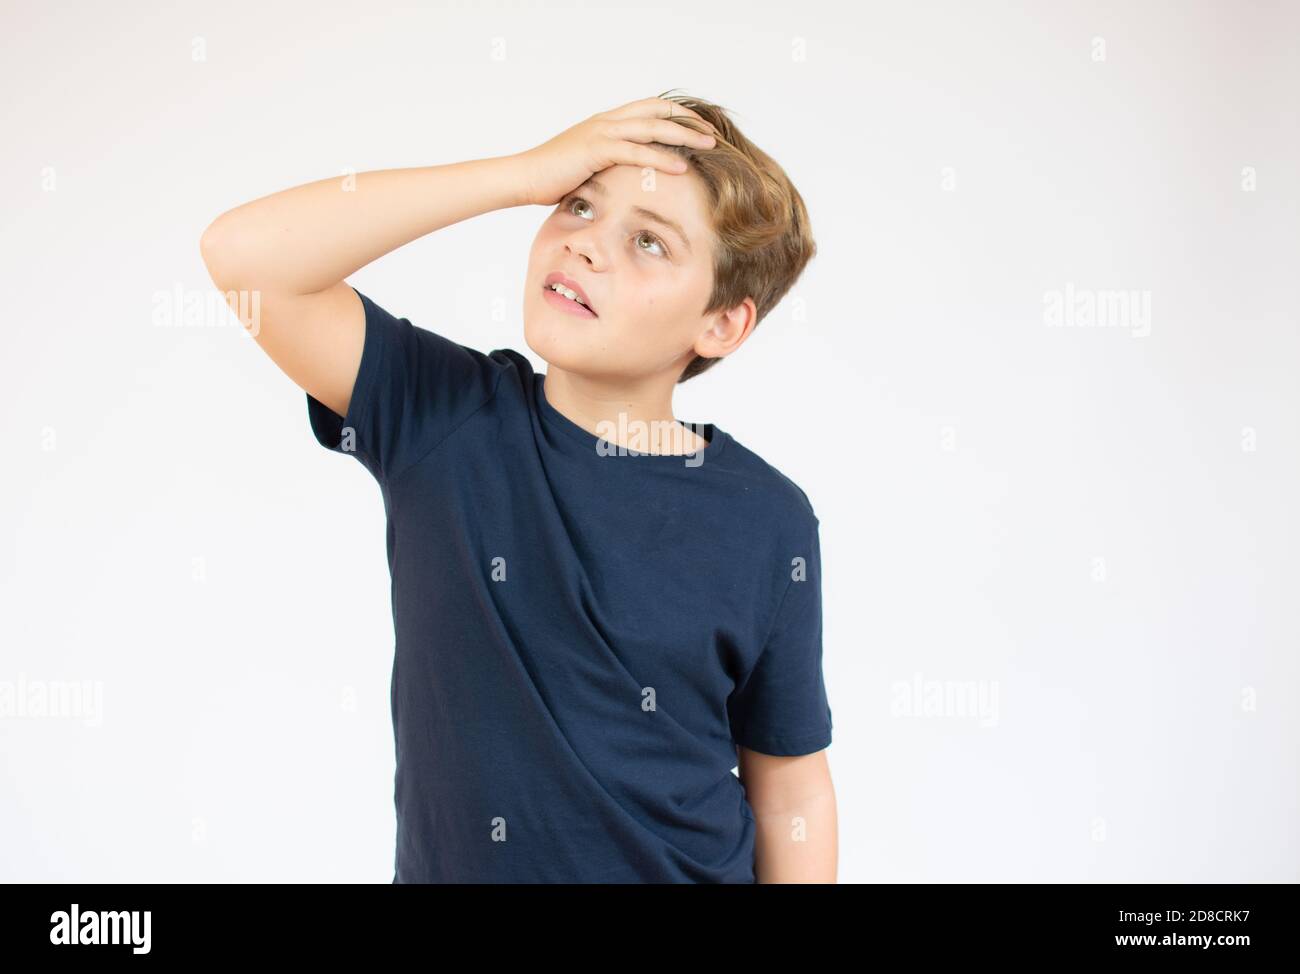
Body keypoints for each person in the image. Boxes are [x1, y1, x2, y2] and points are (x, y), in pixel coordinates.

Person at [198, 90, 836, 883]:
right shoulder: (444, 418)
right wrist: (522, 173)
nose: (587, 246)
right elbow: (247, 257)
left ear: (721, 325)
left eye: (649, 241)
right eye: (577, 205)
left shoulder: (767, 518)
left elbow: (789, 782)